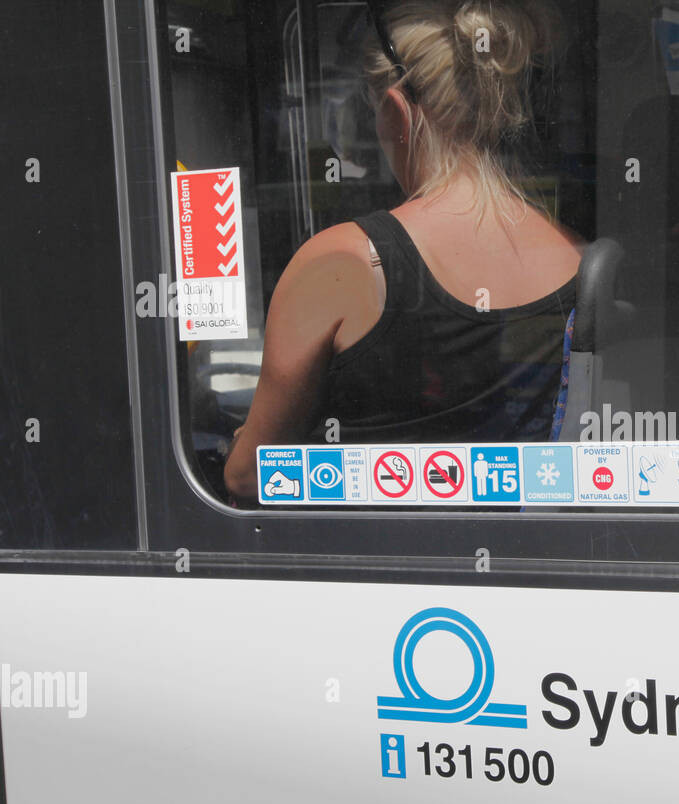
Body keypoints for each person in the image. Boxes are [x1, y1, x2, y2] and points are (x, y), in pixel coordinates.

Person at [223, 0, 582, 501]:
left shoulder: (340, 263)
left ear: (394, 110)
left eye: (371, 112)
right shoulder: (580, 257)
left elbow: (247, 476)